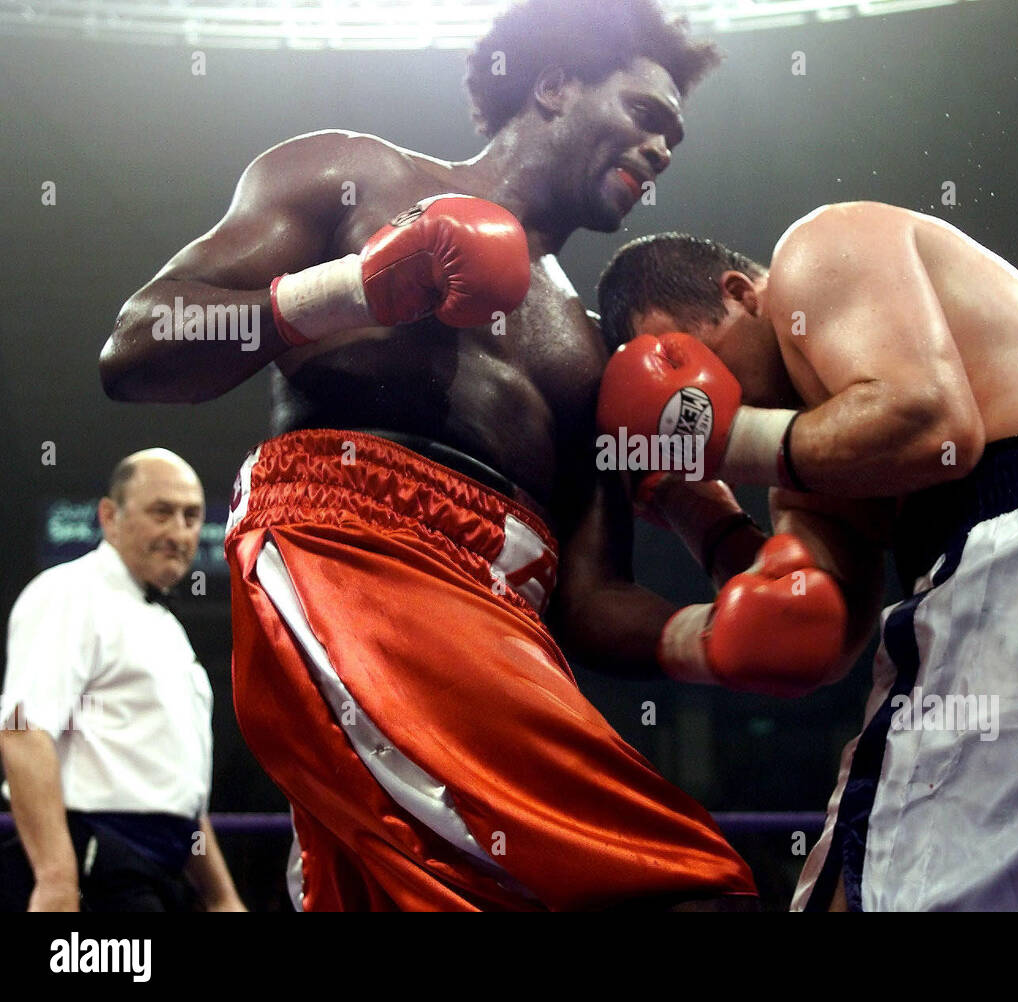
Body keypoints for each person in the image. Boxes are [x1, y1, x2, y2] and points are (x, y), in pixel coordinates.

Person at [98, 0, 846, 911]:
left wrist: (709, 639)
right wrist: (356, 288)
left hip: (508, 626)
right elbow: (139, 348)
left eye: (675, 137)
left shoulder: (593, 352)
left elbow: (588, 597)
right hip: (353, 567)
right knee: (680, 886)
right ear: (554, 86)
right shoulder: (355, 176)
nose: (661, 150)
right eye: (647, 115)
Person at [594, 201, 1018, 911]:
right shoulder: (816, 450)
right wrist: (697, 506)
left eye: (689, 374)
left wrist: (721, 438)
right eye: (676, 409)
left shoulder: (818, 250)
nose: (694, 406)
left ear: (740, 295)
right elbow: (801, 633)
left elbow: (931, 421)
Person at [0, 449, 245, 912]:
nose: (179, 532)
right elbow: (20, 726)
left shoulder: (164, 627)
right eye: (161, 512)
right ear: (110, 517)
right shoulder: (70, 592)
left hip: (159, 869)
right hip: (98, 860)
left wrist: (222, 897)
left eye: (192, 516)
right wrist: (56, 878)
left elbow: (177, 789)